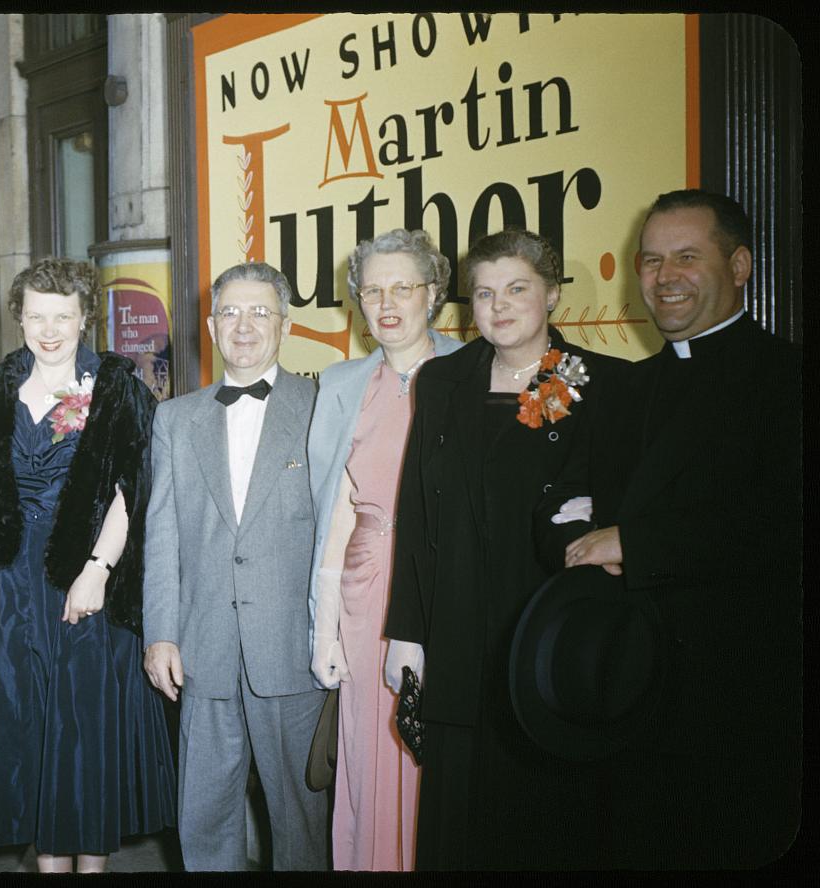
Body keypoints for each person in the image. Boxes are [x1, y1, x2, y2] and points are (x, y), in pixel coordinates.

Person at [536, 190, 802, 867]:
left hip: (737, 702)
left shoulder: (790, 378)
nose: (664, 277)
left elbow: (786, 521)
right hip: (621, 688)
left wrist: (637, 543)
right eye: (651, 260)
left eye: (687, 257)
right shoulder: (624, 387)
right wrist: (567, 536)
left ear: (739, 266)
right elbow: (567, 497)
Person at [0, 258, 175, 874]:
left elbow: (133, 490)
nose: (48, 330)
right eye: (36, 317)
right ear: (20, 319)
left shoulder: (115, 384)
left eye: (62, 316)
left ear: (85, 318)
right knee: (30, 730)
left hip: (82, 576)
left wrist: (98, 570)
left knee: (81, 730)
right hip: (12, 584)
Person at [383, 229, 625, 869]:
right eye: (485, 293)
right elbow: (418, 512)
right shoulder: (442, 380)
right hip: (458, 633)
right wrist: (407, 633)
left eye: (517, 288)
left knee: (543, 825)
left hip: (546, 638)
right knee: (457, 828)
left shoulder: (592, 381)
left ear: (552, 294)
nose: (500, 306)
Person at [143, 261, 327, 871]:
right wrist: (161, 634)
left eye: (259, 312)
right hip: (205, 646)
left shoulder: (321, 405)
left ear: (286, 325)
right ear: (211, 327)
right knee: (205, 815)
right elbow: (162, 534)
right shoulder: (174, 419)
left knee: (303, 822)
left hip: (295, 649)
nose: (243, 326)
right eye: (229, 312)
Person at [305, 229, 463, 871]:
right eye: (373, 291)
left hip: (448, 586)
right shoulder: (341, 382)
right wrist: (324, 630)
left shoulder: (471, 371)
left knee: (439, 758)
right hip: (365, 594)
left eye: (403, 287)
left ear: (434, 293)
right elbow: (334, 512)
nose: (387, 303)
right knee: (371, 753)